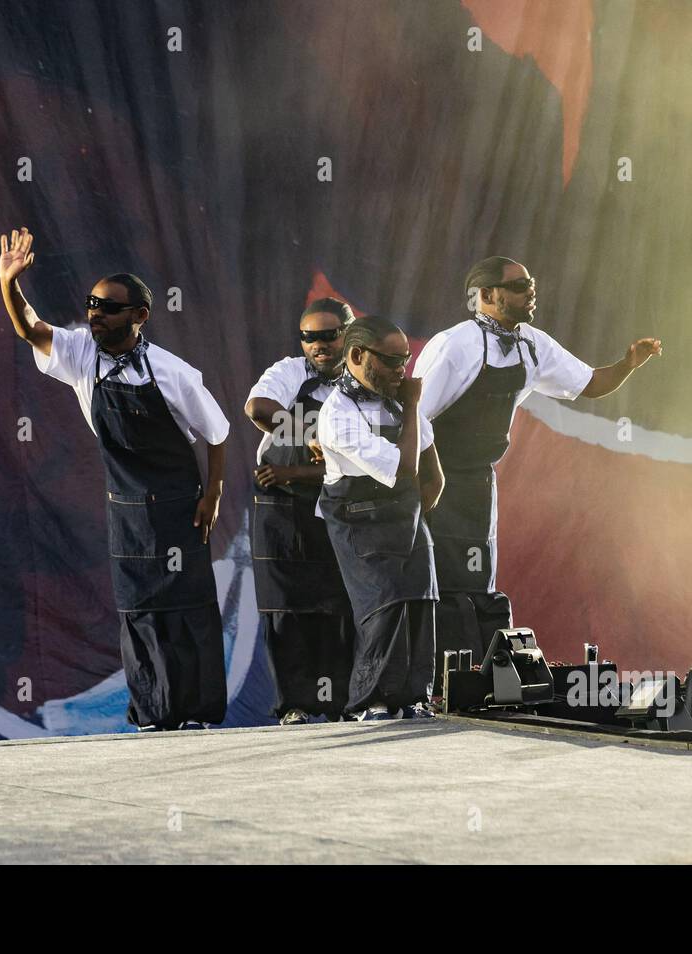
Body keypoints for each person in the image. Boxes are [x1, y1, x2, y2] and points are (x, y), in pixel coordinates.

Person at [0, 227, 230, 730]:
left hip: (178, 504)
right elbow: (30, 329)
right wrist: (9, 284)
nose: (94, 314)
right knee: (140, 609)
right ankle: (153, 714)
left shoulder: (173, 373)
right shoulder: (81, 354)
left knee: (185, 606)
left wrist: (212, 494)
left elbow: (217, 433)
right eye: (91, 304)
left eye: (107, 307)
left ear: (139, 316)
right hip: (126, 507)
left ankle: (195, 713)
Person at [414, 256, 662, 689]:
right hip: (434, 477)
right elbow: (413, 421)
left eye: (531, 282)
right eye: (519, 286)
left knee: (480, 581)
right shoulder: (455, 346)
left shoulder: (532, 343)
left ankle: (482, 685)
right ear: (487, 296)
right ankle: (436, 685)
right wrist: (425, 486)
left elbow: (590, 384)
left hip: (479, 481)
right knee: (444, 583)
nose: (531, 291)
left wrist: (628, 364)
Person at [315, 315, 444, 721]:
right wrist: (412, 404)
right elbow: (406, 467)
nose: (401, 371)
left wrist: (416, 510)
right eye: (391, 361)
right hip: (359, 517)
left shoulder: (397, 398)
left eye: (405, 360)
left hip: (405, 513)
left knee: (421, 603)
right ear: (356, 355)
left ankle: (414, 698)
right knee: (382, 606)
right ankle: (371, 703)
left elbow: (432, 473)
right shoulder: (338, 412)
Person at [244, 298, 357, 725]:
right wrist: (308, 435)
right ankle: (295, 705)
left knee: (339, 606)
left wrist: (311, 461)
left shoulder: (363, 379)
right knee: (286, 609)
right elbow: (257, 410)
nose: (319, 345)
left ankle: (344, 704)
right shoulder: (289, 372)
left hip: (338, 501)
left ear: (348, 334)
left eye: (329, 335)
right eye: (309, 337)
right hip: (282, 509)